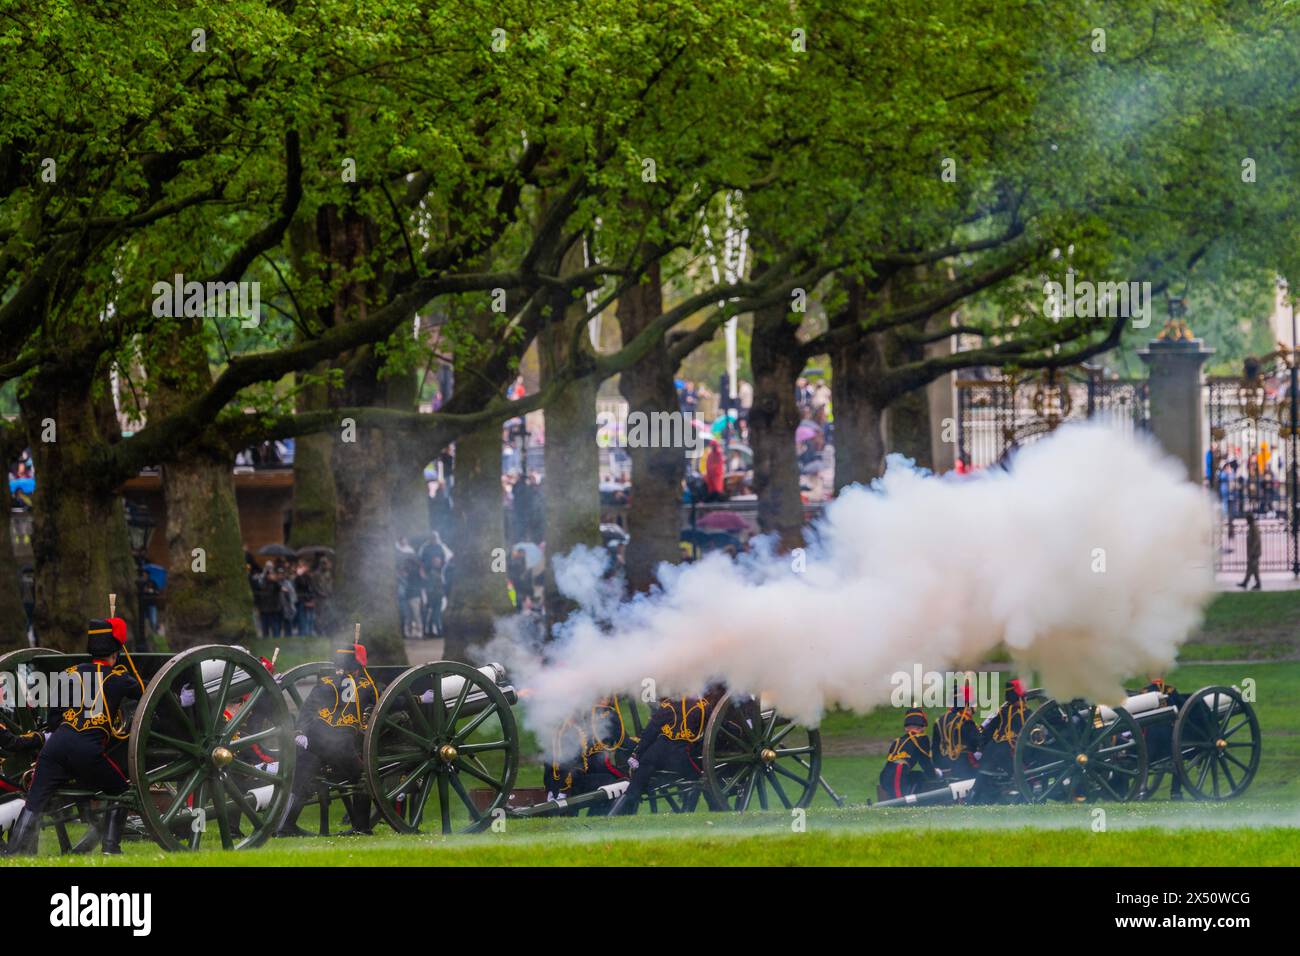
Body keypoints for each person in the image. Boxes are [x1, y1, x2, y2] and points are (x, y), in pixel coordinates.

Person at [4, 618, 144, 855]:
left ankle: (16, 853)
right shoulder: (119, 678)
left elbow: (54, 720)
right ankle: (110, 848)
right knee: (122, 792)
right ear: (117, 651)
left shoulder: (69, 673)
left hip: (55, 748)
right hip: (87, 750)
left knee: (35, 800)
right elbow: (146, 693)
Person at [276, 643, 379, 837]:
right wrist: (418, 699)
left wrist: (299, 733)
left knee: (302, 776)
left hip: (315, 740)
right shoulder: (366, 686)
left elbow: (307, 709)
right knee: (363, 776)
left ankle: (285, 825)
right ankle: (362, 828)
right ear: (358, 668)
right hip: (342, 746)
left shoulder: (325, 682)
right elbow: (385, 705)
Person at [609, 687, 726, 815]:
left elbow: (649, 734)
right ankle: (686, 813)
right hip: (679, 757)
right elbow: (716, 728)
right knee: (697, 778)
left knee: (633, 789)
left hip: (654, 755)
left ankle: (612, 816)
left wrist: (637, 755)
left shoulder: (667, 705)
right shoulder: (703, 706)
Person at [972, 678, 1030, 804]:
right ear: (1021, 698)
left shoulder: (1001, 712)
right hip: (1010, 754)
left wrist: (981, 749)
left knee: (983, 776)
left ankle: (972, 799)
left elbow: (987, 732)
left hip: (991, 751)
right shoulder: (1025, 713)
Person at [877, 709, 939, 800]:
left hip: (884, 776)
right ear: (921, 727)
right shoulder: (921, 738)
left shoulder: (897, 741)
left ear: (906, 728)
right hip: (898, 774)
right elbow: (925, 762)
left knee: (918, 775)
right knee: (900, 804)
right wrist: (934, 774)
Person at [932, 685, 981, 782]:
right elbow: (979, 743)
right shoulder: (966, 721)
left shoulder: (939, 721)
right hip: (965, 769)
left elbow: (935, 750)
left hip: (943, 768)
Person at [1239, 513, 1261, 590]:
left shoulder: (1254, 528)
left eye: (1247, 520)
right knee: (1252, 568)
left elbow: (1256, 541)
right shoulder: (1252, 527)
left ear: (1249, 520)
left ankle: (1256, 583)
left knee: (1253, 568)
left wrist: (1252, 551)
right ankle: (1246, 583)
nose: (1246, 521)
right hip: (1253, 552)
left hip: (1254, 552)